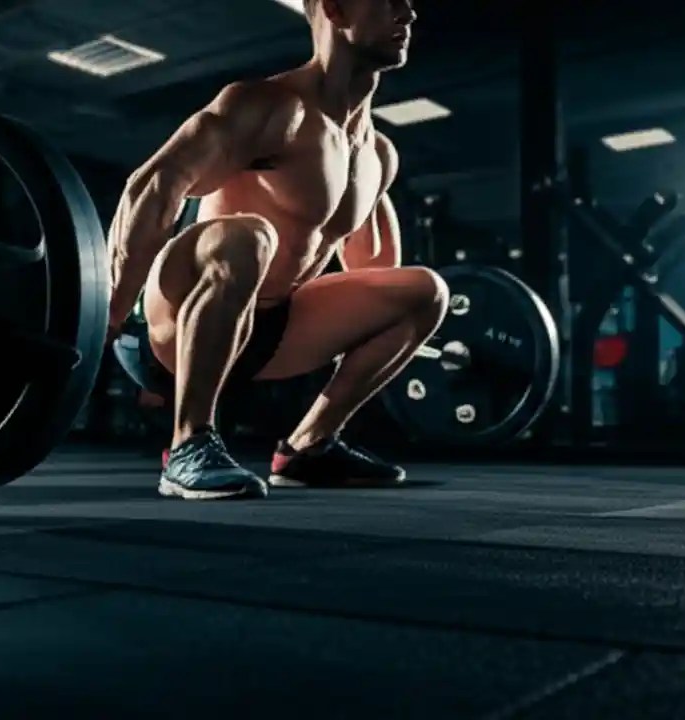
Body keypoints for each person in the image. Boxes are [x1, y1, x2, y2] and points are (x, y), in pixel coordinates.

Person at [106, 0, 448, 501]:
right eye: (388, 1)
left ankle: (310, 445)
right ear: (335, 10)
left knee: (425, 292)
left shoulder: (376, 153)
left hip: (267, 336)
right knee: (249, 236)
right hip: (167, 330)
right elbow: (153, 185)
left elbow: (372, 274)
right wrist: (108, 313)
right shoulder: (268, 107)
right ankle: (187, 444)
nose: (409, 14)